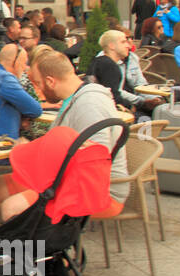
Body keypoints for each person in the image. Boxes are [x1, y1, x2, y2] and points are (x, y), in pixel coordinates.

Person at [24, 50, 129, 203]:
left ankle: (32, 225)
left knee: (11, 205)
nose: (38, 90)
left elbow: (96, 158)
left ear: (50, 81)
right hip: (70, 182)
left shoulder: (89, 104)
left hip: (97, 193)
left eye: (39, 84)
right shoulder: (76, 97)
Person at [0, 43, 43, 139]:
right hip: (0, 143)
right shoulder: (5, 79)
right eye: (24, 63)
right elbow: (35, 110)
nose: (25, 68)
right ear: (15, 61)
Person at [91, 30, 161, 119]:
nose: (128, 45)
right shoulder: (108, 65)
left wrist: (154, 98)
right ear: (111, 46)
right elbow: (114, 96)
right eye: (123, 42)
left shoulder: (105, 62)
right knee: (146, 121)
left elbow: (141, 84)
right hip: (112, 114)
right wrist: (138, 104)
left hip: (124, 105)